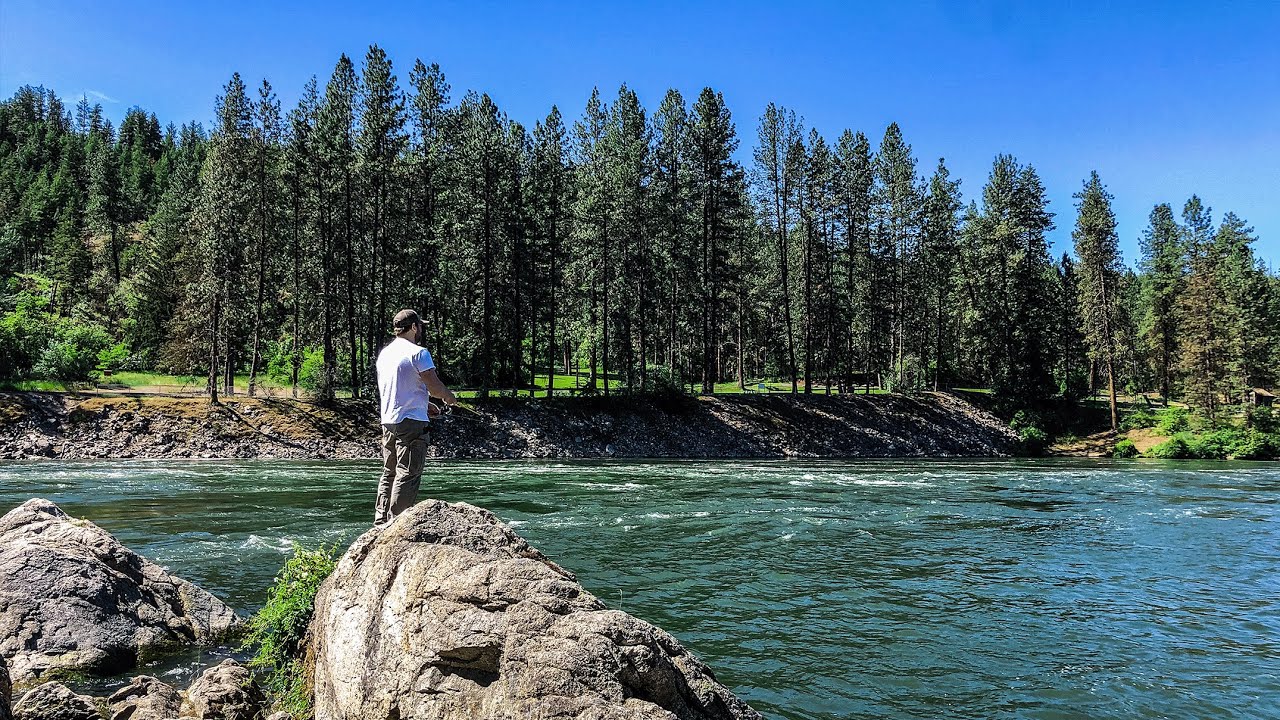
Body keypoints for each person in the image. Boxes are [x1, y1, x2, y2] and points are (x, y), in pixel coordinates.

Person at [374, 309, 458, 525]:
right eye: (420, 325)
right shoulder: (419, 353)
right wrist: (448, 397)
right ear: (413, 327)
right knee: (408, 472)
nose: (421, 329)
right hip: (412, 423)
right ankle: (397, 523)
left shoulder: (385, 354)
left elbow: (398, 387)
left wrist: (424, 404)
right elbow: (434, 386)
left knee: (390, 472)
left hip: (388, 421)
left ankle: (381, 520)